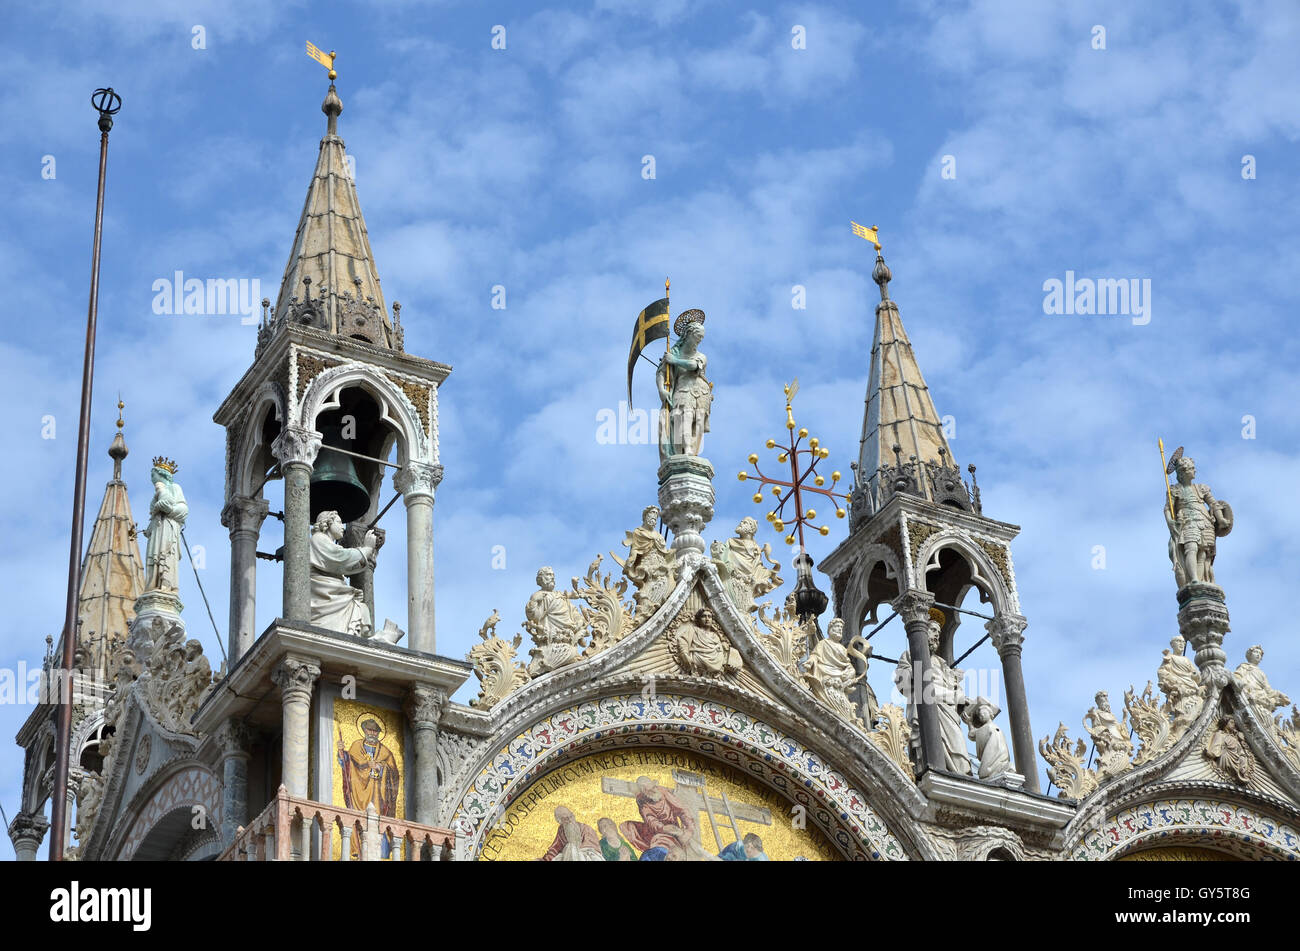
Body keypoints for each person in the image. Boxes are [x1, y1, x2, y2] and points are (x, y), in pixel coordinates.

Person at [656, 310, 712, 459]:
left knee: (698, 422)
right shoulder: (673, 352)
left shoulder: (701, 356)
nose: (699, 340)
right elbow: (661, 373)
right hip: (682, 390)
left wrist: (675, 361)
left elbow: (694, 366)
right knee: (684, 417)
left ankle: (693, 451)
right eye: (698, 336)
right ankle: (687, 450)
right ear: (688, 334)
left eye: (701, 337)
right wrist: (662, 390)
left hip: (701, 392)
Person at [310, 511, 376, 636]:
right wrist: (366, 549)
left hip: (333, 590)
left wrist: (365, 554)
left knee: (360, 608)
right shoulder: (318, 538)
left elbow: (343, 564)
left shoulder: (327, 542)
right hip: (324, 594)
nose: (342, 527)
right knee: (358, 607)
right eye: (339, 522)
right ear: (328, 523)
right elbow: (340, 557)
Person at [620, 776, 697, 860]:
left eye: (653, 787)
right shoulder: (642, 800)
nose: (653, 790)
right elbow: (650, 819)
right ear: (643, 791)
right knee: (628, 828)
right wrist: (663, 828)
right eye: (648, 790)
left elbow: (681, 809)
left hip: (674, 829)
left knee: (682, 846)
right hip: (657, 832)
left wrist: (689, 828)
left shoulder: (663, 792)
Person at [142, 459, 188, 593]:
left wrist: (168, 509)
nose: (151, 478)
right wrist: (149, 530)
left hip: (168, 527)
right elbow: (155, 513)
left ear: (161, 474)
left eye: (153, 475)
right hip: (157, 529)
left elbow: (183, 509)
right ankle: (152, 585)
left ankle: (166, 585)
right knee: (153, 556)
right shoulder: (158, 493)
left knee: (166, 555)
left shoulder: (174, 488)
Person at [539, 806, 603, 861]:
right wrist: (545, 859)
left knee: (571, 847)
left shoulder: (586, 828)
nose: (569, 820)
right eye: (565, 818)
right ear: (559, 821)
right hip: (570, 856)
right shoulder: (562, 830)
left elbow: (592, 846)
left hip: (589, 856)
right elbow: (555, 848)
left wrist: (575, 850)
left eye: (571, 816)